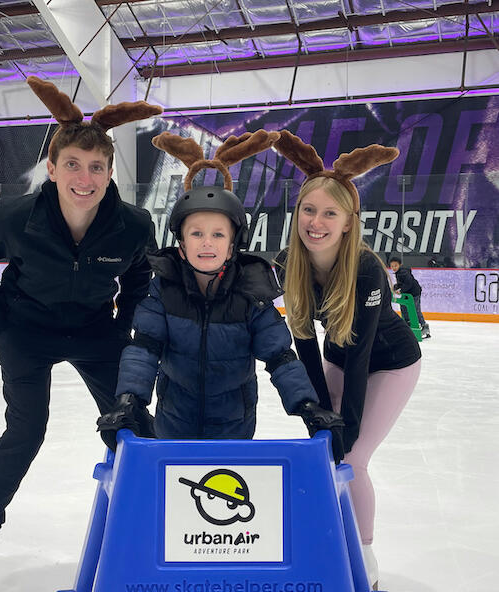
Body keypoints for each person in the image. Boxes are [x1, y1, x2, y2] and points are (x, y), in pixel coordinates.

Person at [0, 77, 162, 592]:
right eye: (73, 165)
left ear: (110, 172)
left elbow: (140, 277)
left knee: (134, 425)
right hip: (28, 330)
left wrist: (126, 329)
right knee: (26, 431)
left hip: (97, 331)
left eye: (96, 168)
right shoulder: (16, 216)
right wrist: (2, 329)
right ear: (52, 167)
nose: (84, 178)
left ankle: (159, 537)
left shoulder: (133, 224)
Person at [96, 130, 344, 455]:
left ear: (232, 246)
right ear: (181, 245)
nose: (207, 242)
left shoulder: (251, 296)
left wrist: (307, 406)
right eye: (196, 233)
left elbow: (280, 357)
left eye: (217, 234)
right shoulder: (163, 291)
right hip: (174, 423)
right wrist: (128, 399)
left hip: (234, 425)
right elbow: (143, 350)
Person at [273, 131, 422, 588]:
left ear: (347, 221)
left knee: (352, 456)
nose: (316, 222)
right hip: (338, 356)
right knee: (326, 451)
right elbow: (304, 346)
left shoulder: (367, 268)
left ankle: (365, 555)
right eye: (309, 210)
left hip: (390, 362)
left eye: (329, 214)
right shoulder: (288, 262)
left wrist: (345, 426)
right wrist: (316, 413)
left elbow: (361, 357)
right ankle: (334, 538)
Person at [389, 254, 431, 339]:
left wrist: (401, 290)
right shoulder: (399, 273)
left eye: (395, 265)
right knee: (404, 307)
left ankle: (424, 326)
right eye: (392, 266)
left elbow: (409, 283)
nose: (394, 267)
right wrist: (396, 287)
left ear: (400, 265)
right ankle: (407, 324)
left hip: (414, 293)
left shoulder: (403, 272)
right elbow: (403, 283)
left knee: (415, 310)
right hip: (408, 293)